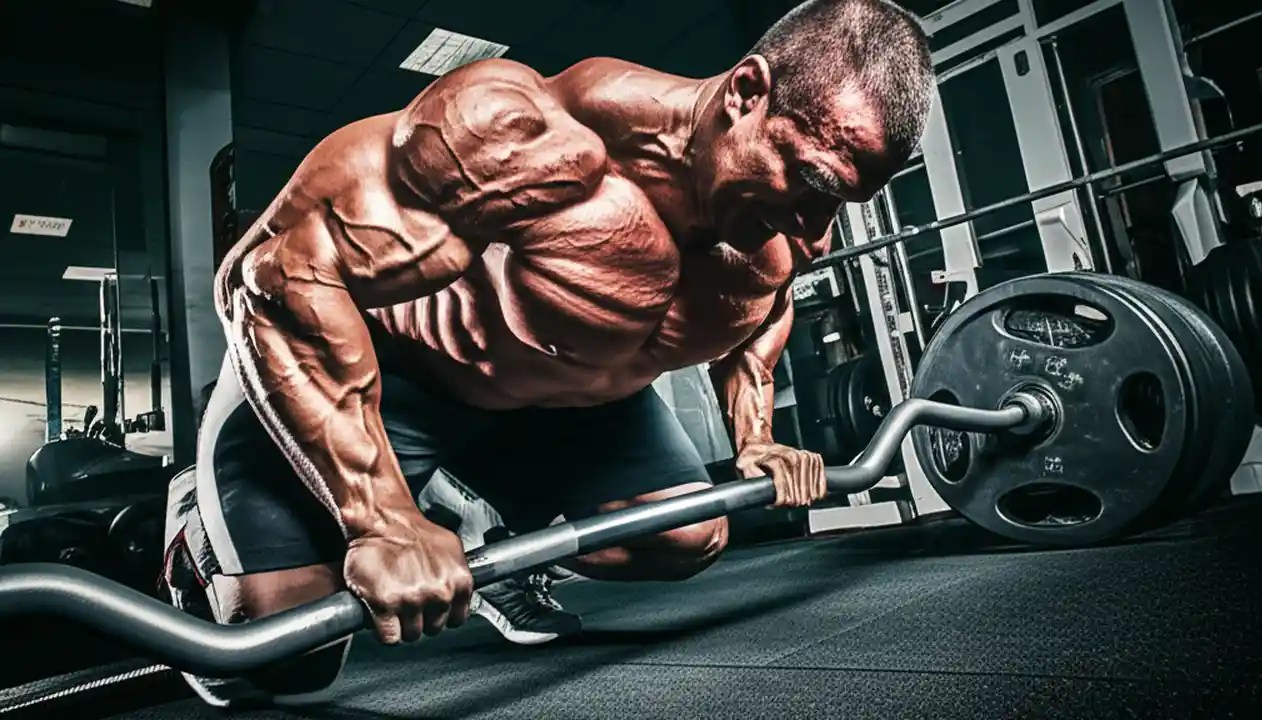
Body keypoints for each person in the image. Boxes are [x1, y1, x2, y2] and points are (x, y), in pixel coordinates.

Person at [161, 0, 935, 707]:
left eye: (842, 200)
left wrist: (756, 437)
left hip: (566, 409)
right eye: (810, 182)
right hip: (398, 386)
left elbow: (759, 320)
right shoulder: (525, 136)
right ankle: (199, 522)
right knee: (281, 657)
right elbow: (271, 277)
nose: (818, 231)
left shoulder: (773, 220)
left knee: (687, 534)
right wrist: (381, 519)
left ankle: (494, 543)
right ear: (744, 92)